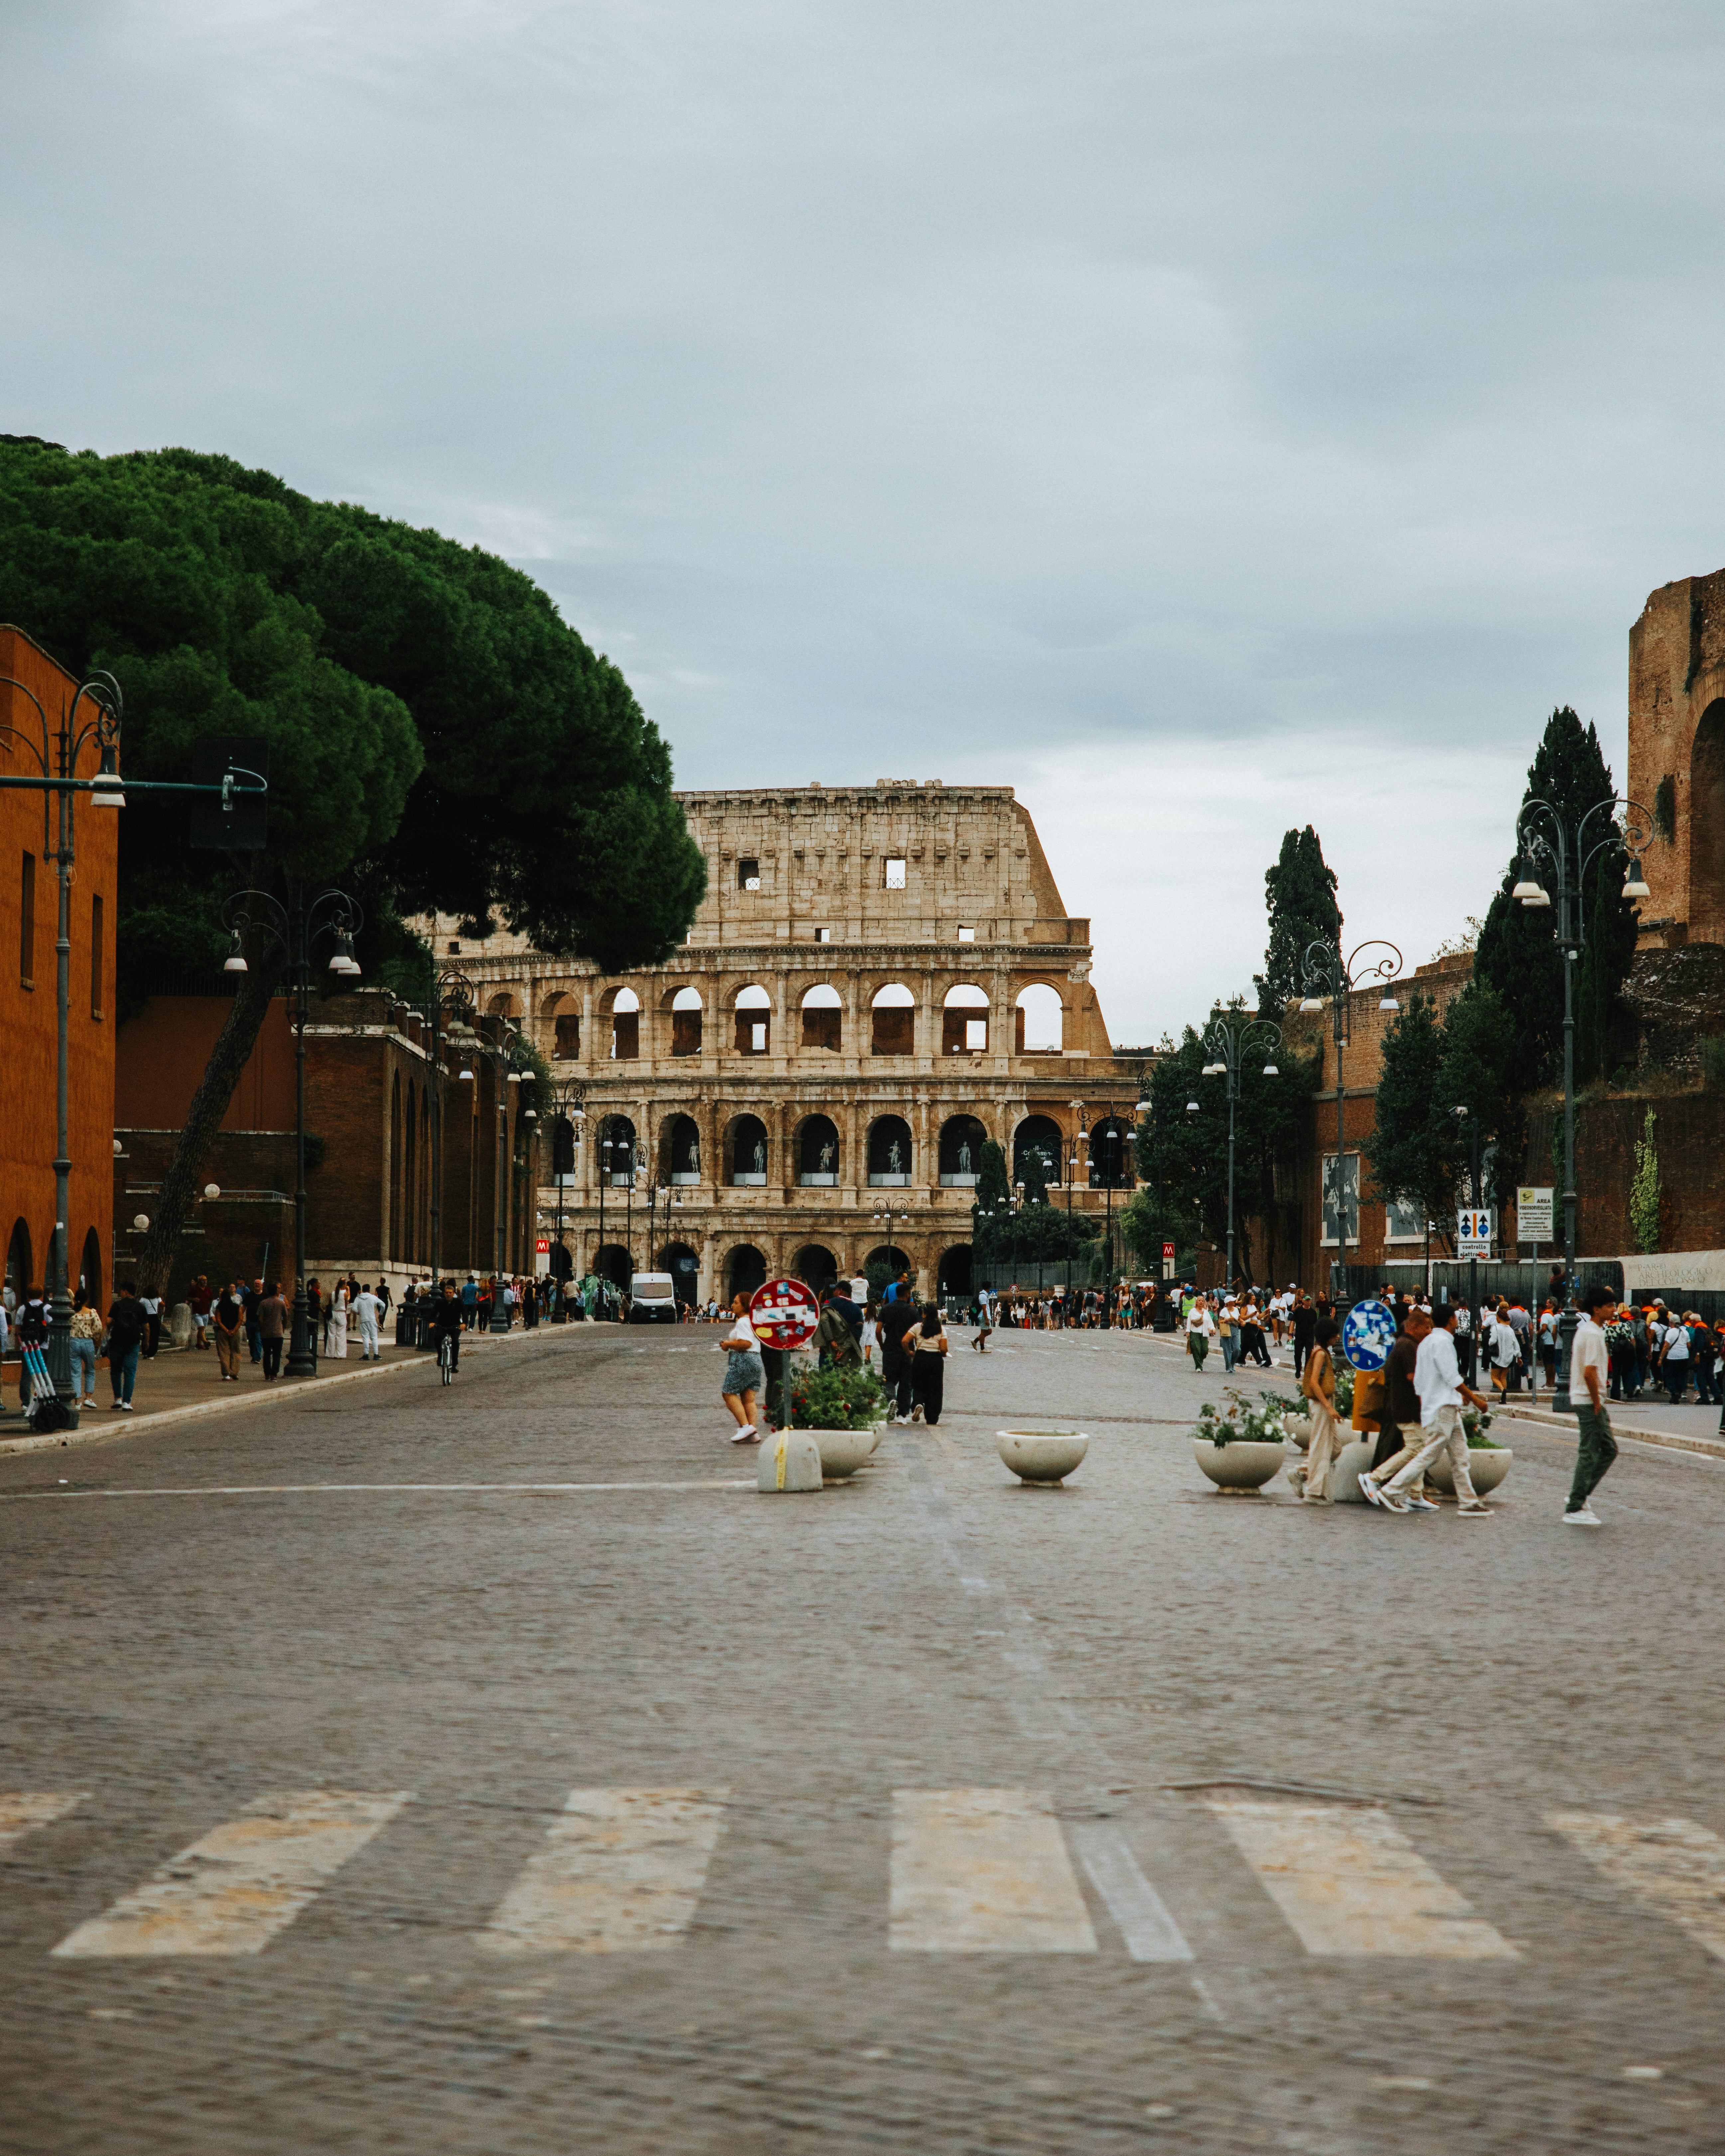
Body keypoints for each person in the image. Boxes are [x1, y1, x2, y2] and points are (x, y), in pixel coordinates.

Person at [1362, 1301, 1494, 1515]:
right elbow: (1452, 1377)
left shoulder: (1425, 1343)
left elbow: (1420, 1382)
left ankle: (1468, 1501)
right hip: (1444, 1406)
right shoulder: (1441, 1343)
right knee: (1428, 1454)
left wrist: (1427, 1407)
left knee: (1460, 1456)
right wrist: (1475, 1399)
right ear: (1452, 1319)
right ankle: (1390, 1491)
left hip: (1441, 1405)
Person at [1367, 1305, 1437, 1511]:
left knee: (1420, 1451)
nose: (1429, 1332)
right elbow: (1414, 1378)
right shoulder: (1408, 1346)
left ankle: (1416, 1494)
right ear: (1414, 1326)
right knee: (1416, 1450)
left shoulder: (1407, 1344)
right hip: (1407, 1408)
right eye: (1427, 1327)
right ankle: (1374, 1478)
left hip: (1403, 1408)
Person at [1563, 1280, 1620, 1526]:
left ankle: (1581, 1493)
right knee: (1590, 1452)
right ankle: (1575, 1505)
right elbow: (1589, 1372)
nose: (1614, 1310)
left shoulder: (1586, 1331)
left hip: (1587, 1398)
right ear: (1597, 1309)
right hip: (1589, 1400)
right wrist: (1598, 1402)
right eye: (1609, 1306)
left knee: (1607, 1449)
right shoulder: (1594, 1334)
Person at [1295, 1315, 1343, 1504]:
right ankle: (1315, 1492)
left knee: (1334, 1447)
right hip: (1322, 1403)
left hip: (1323, 1402)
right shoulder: (1321, 1354)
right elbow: (1315, 1382)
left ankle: (1302, 1473)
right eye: (1335, 1334)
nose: (1338, 1337)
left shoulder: (1321, 1351)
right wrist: (1329, 1407)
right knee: (1321, 1447)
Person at [719, 1309, 765, 1441]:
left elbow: (746, 1343)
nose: (733, 1305)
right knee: (749, 1398)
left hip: (744, 1360)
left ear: (744, 1305)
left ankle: (746, 1428)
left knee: (728, 1393)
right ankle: (753, 1433)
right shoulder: (754, 1321)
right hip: (756, 1359)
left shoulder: (744, 1321)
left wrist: (728, 1344)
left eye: (736, 1302)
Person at [104, 1282, 148, 1411]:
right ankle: (127, 1402)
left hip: (117, 1342)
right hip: (133, 1342)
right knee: (130, 1373)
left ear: (126, 1292)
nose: (121, 1293)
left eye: (122, 1291)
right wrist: (147, 1342)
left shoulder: (117, 1305)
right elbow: (146, 1327)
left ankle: (118, 1398)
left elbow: (108, 1321)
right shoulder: (140, 1307)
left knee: (116, 1371)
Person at [879, 1292, 921, 1422]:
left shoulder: (886, 1309)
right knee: (906, 1383)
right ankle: (902, 1415)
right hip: (907, 1351)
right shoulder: (913, 1311)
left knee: (888, 1379)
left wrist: (882, 1345)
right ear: (908, 1295)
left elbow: (878, 1330)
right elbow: (919, 1332)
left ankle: (892, 1398)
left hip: (890, 1350)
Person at [910, 1306, 949, 1425]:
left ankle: (918, 1403)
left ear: (924, 1315)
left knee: (918, 1384)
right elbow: (944, 1349)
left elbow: (905, 1341)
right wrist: (943, 1354)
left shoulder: (918, 1327)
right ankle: (932, 1417)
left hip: (920, 1358)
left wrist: (910, 1353)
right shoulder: (941, 1329)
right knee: (935, 1389)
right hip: (936, 1360)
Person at [68, 1291, 102, 1404]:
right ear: (87, 1300)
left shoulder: (71, 1313)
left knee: (75, 1372)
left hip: (73, 1342)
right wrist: (95, 1339)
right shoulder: (92, 1313)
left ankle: (78, 1401)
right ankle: (88, 1398)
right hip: (88, 1342)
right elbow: (98, 1328)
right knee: (90, 1370)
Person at [428, 1281, 464, 1376]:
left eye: (450, 1293)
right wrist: (432, 1322)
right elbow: (434, 1312)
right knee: (437, 1338)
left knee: (455, 1341)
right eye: (447, 1293)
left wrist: (464, 1324)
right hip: (442, 1325)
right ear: (445, 1294)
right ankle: (440, 1355)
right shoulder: (440, 1302)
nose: (448, 1294)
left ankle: (454, 1365)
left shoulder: (459, 1302)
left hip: (455, 1325)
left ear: (453, 1293)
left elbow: (465, 1313)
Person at [212, 1281, 244, 1381]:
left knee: (224, 1352)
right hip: (235, 1331)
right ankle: (235, 1373)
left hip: (223, 1332)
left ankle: (226, 1374)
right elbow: (240, 1319)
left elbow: (218, 1320)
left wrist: (226, 1330)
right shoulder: (237, 1307)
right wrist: (234, 1330)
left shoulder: (220, 1307)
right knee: (236, 1352)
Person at [1185, 1294, 1216, 1371]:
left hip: (1204, 1333)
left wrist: (1213, 1329)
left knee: (1205, 1350)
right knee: (1196, 1349)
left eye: (1202, 1301)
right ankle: (1199, 1367)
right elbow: (1189, 1321)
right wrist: (1188, 1331)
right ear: (1197, 1302)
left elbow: (1210, 1322)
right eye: (1199, 1301)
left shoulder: (1206, 1312)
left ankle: (1200, 1362)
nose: (1201, 1302)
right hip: (1195, 1332)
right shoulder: (1193, 1311)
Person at [354, 1282, 384, 1362]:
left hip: (363, 1319)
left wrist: (359, 1313)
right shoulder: (373, 1297)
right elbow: (383, 1305)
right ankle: (376, 1354)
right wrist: (381, 1314)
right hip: (372, 1319)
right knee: (374, 1337)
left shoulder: (358, 1298)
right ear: (369, 1290)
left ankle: (366, 1354)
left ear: (363, 1290)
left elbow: (354, 1309)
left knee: (365, 1337)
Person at [190, 1275, 212, 1350]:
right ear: (199, 1281)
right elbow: (188, 1297)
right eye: (203, 1280)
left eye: (206, 1280)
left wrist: (211, 1311)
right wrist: (194, 1299)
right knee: (202, 1328)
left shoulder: (208, 1290)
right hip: (197, 1313)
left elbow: (211, 1299)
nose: (205, 1282)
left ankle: (199, 1344)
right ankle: (206, 1342)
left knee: (202, 1330)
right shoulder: (194, 1289)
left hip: (206, 1312)